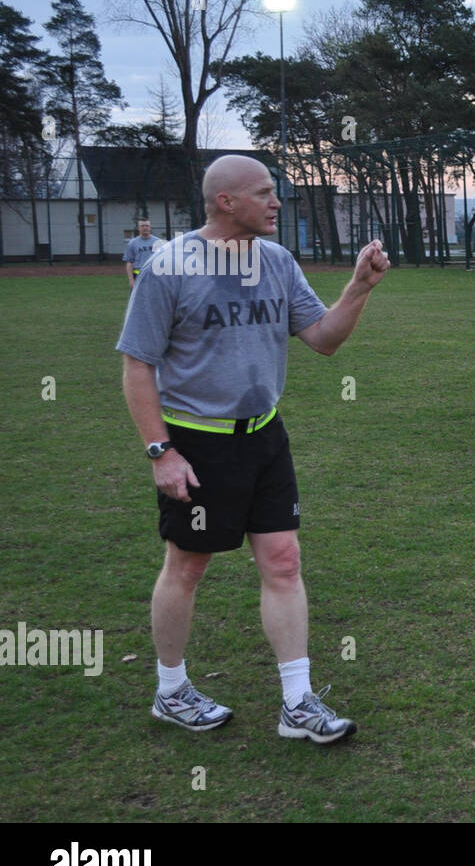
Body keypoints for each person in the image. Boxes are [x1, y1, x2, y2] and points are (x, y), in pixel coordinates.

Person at [117, 154, 390, 742]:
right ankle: (171, 691)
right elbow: (137, 365)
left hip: (265, 436)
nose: (276, 202)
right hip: (196, 444)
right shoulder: (169, 267)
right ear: (226, 202)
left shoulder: (276, 260)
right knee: (187, 566)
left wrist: (358, 289)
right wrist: (161, 452)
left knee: (284, 561)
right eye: (265, 193)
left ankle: (298, 703)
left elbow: (322, 339)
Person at [123, 219, 162, 292]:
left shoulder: (158, 242)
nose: (145, 228)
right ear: (138, 228)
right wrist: (131, 280)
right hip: (138, 274)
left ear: (150, 228)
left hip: (154, 275)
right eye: (142, 226)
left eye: (147, 226)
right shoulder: (132, 243)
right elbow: (129, 263)